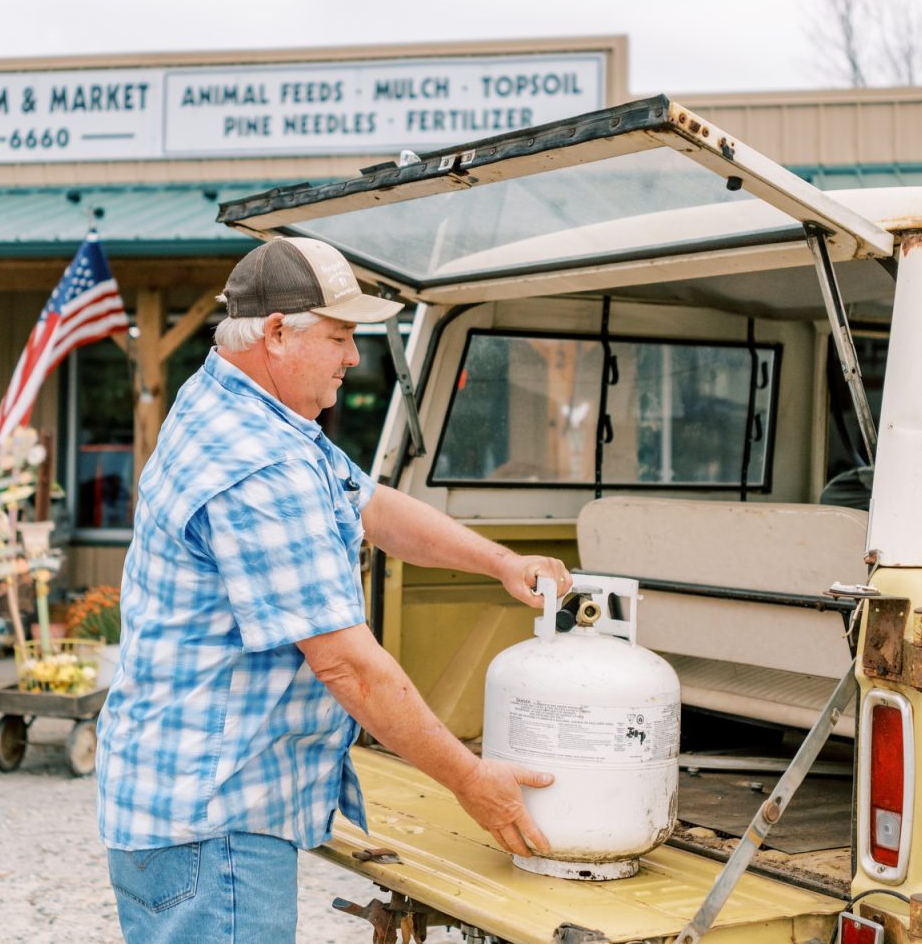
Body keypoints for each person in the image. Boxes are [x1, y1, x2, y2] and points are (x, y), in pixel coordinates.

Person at [96, 237, 571, 944]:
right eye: (342, 336)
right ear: (279, 334)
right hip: (213, 826)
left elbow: (369, 504)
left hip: (189, 807)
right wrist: (472, 781)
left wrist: (497, 560)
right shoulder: (256, 465)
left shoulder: (244, 404)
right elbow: (346, 664)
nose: (354, 357)